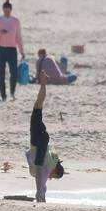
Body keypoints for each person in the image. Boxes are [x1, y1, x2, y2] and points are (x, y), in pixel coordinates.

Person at [27, 69, 65, 202]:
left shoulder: (53, 159)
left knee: (38, 104)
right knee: (39, 166)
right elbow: (42, 179)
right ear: (55, 171)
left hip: (42, 137)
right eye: (54, 176)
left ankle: (43, 83)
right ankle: (43, 82)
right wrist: (41, 195)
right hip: (38, 137)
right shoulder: (49, 165)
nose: (51, 177)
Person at [0, 0, 23, 101]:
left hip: (12, 50)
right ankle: (3, 96)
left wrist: (22, 51)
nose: (7, 12)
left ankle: (12, 93)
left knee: (14, 72)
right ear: (3, 10)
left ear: (11, 10)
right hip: (0, 49)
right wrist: (0, 33)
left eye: (9, 11)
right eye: (5, 11)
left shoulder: (16, 21)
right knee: (1, 74)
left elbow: (18, 37)